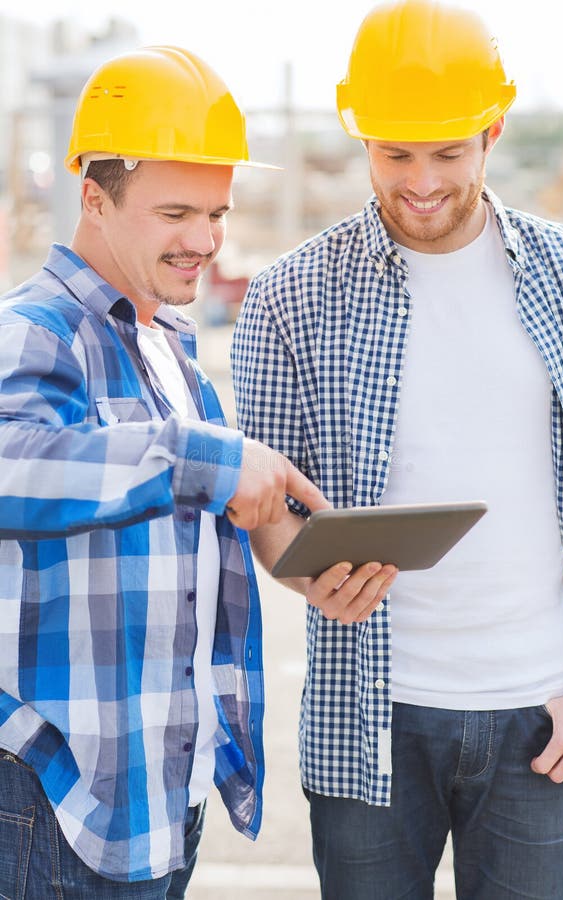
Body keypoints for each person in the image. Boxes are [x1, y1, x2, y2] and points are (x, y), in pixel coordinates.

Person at [231, 2, 563, 898]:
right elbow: (266, 508)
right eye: (397, 153)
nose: (421, 181)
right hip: (368, 714)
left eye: (447, 153)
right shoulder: (289, 296)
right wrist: (302, 572)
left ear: (492, 131)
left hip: (541, 720)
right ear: (363, 136)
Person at [0, 45, 328, 898]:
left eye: (217, 212)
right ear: (94, 198)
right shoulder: (36, 331)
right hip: (55, 795)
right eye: (176, 212)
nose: (206, 241)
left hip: (160, 796)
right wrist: (207, 457)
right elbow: (11, 468)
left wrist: (309, 563)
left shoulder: (173, 351)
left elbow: (200, 516)